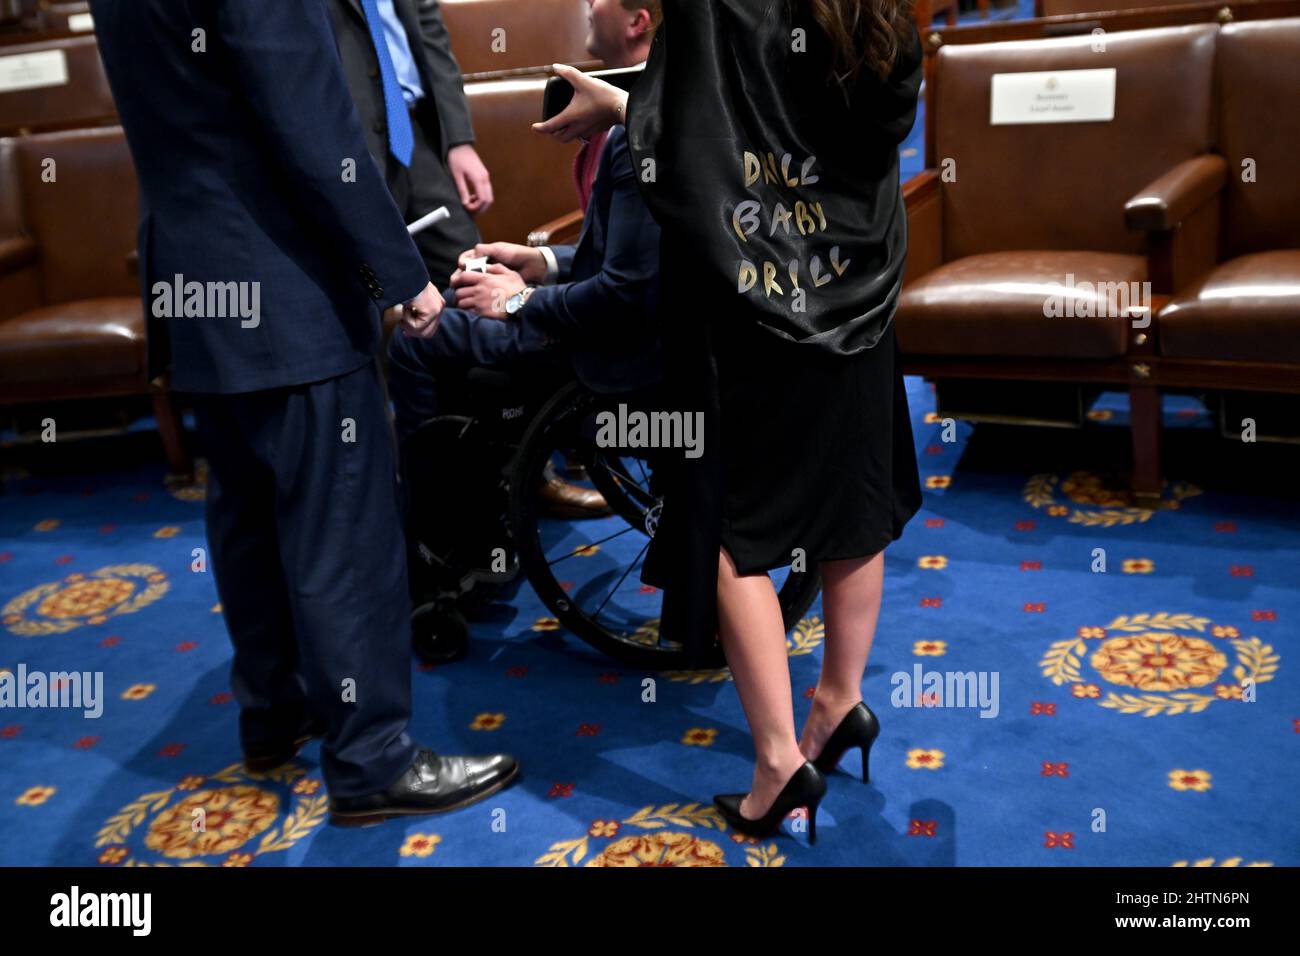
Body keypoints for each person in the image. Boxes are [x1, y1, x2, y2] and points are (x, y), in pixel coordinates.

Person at [90, 0, 518, 826]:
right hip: (284, 285)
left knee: (247, 510)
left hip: (195, 275)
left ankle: (275, 711)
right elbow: (315, 128)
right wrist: (401, 274)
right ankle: (373, 760)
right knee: (341, 527)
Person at [535, 0, 923, 843]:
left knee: (731, 533)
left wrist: (625, 107)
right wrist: (631, 100)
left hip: (754, 296)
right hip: (860, 274)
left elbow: (703, 133)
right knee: (854, 504)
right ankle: (840, 702)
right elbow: (866, 112)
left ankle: (780, 763)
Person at [386, 0, 665, 661]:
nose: (585, 5)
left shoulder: (636, 133)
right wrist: (537, 263)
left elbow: (628, 295)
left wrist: (517, 303)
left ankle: (439, 557)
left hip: (613, 356)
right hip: (619, 328)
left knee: (414, 341)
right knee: (460, 311)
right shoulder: (659, 110)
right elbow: (621, 263)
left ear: (637, 21)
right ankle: (484, 519)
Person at [327, 0, 492, 283]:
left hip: (411, 130)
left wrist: (458, 140)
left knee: (471, 273)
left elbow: (430, 32)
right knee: (367, 282)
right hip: (350, 140)